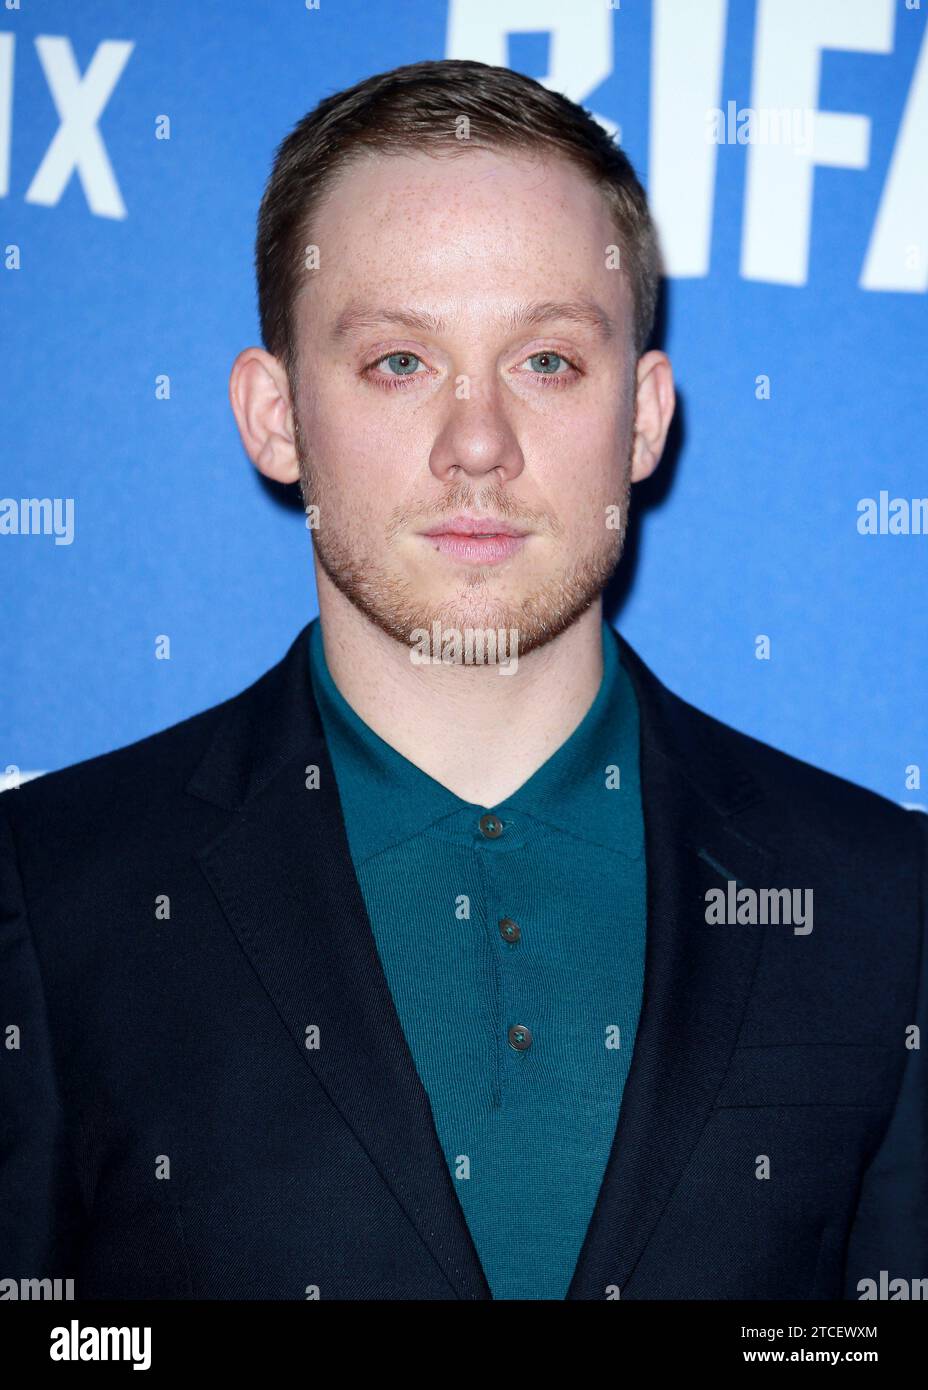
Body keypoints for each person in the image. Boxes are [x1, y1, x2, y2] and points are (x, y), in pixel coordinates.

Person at [1, 59, 924, 1301]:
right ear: (274, 417)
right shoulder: (50, 897)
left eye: (546, 361)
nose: (476, 444)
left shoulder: (880, 907)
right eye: (397, 362)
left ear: (643, 417)